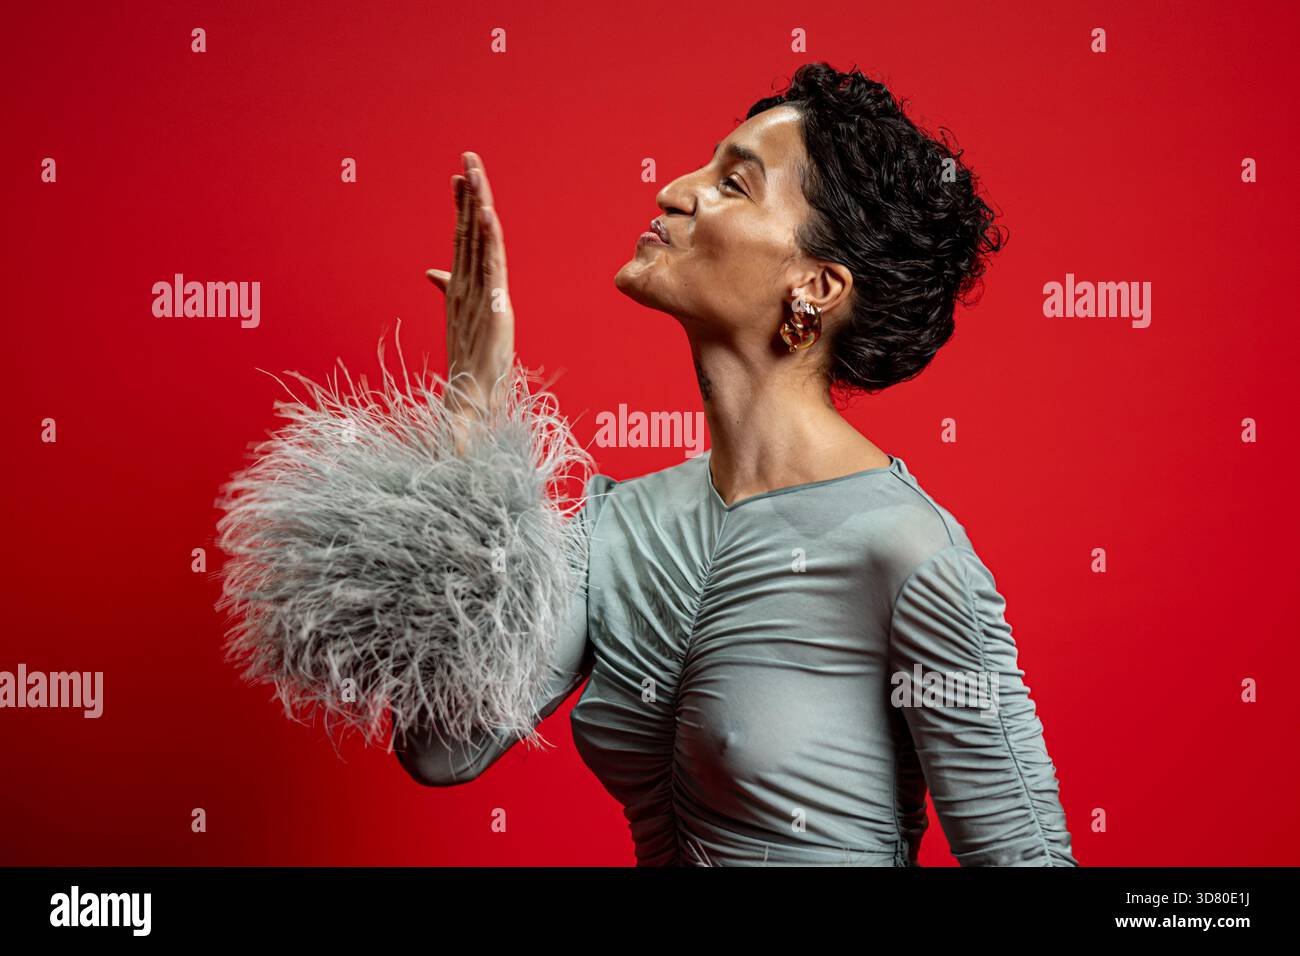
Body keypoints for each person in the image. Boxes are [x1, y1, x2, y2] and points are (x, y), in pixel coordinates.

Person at [216, 62, 1077, 867]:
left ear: (816, 287)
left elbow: (1025, 858)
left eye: (734, 182)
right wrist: (476, 403)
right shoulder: (615, 526)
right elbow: (443, 748)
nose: (674, 191)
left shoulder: (909, 555)